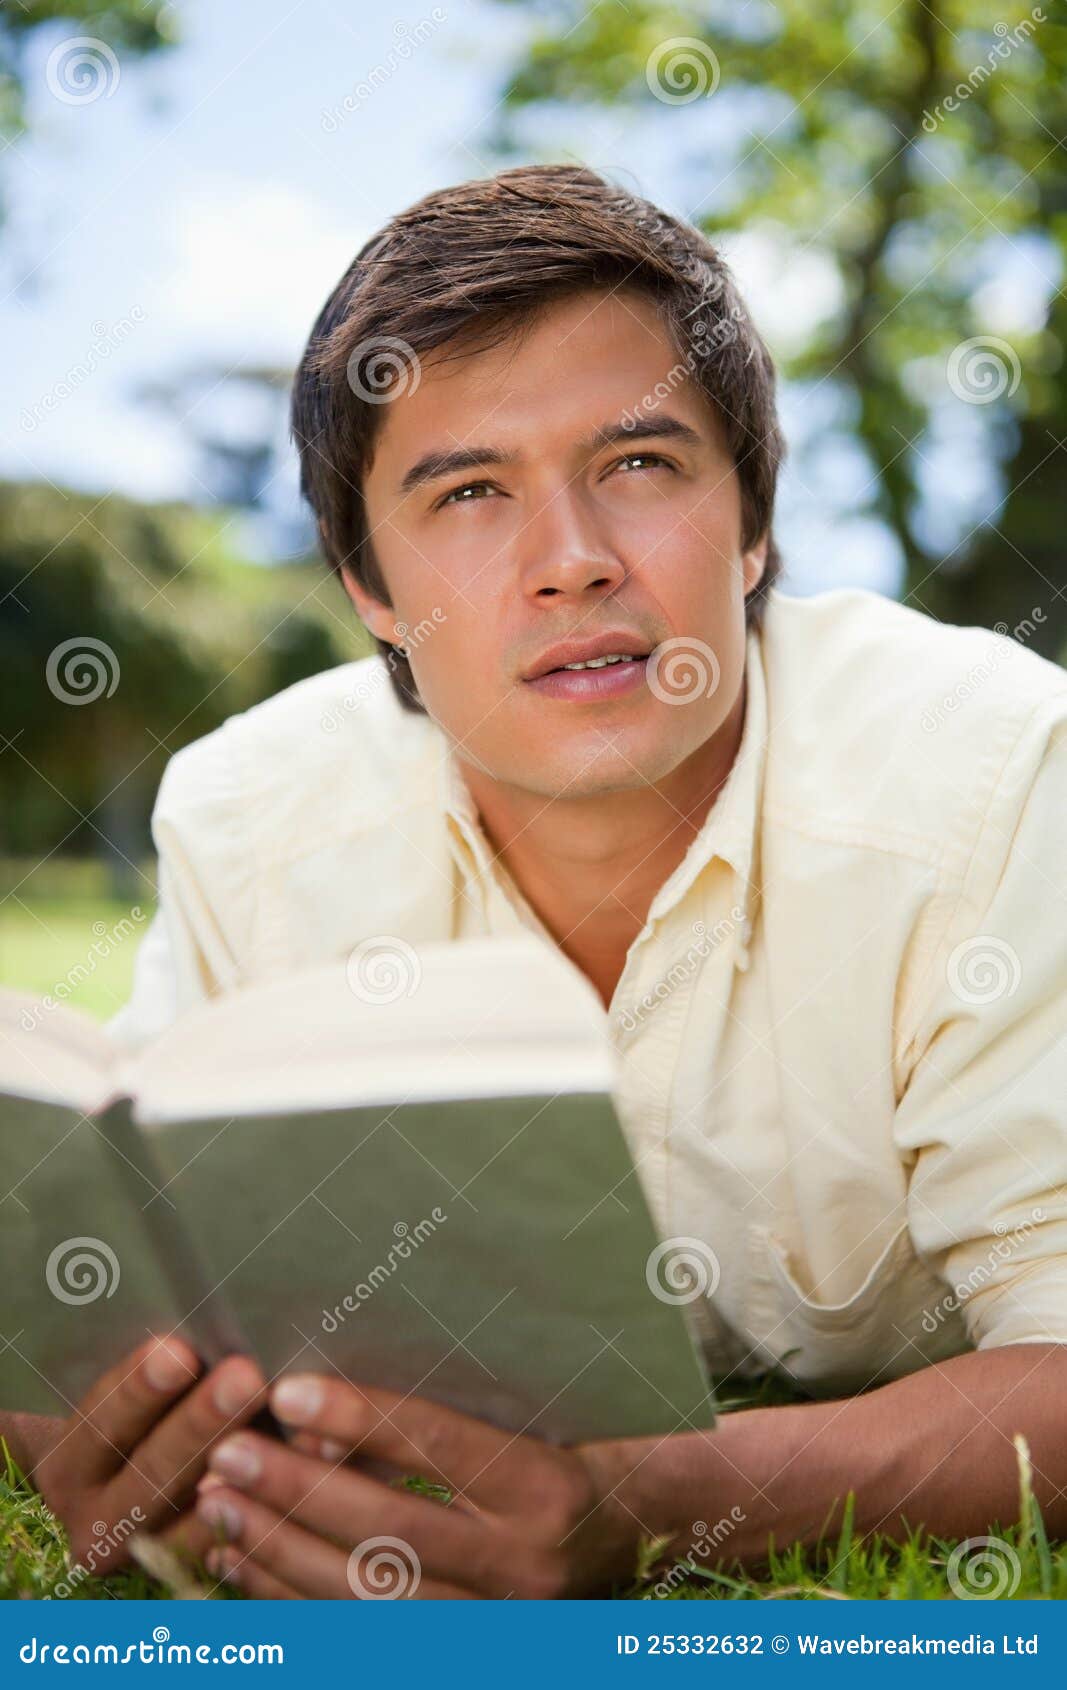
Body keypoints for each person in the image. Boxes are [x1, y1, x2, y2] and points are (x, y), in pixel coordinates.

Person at [10, 164, 1067, 1599]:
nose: (570, 562)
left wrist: (659, 1502)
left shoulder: (995, 775)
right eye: (467, 492)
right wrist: (87, 1407)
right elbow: (136, 1284)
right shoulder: (253, 821)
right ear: (369, 584)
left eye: (639, 464)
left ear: (752, 523)